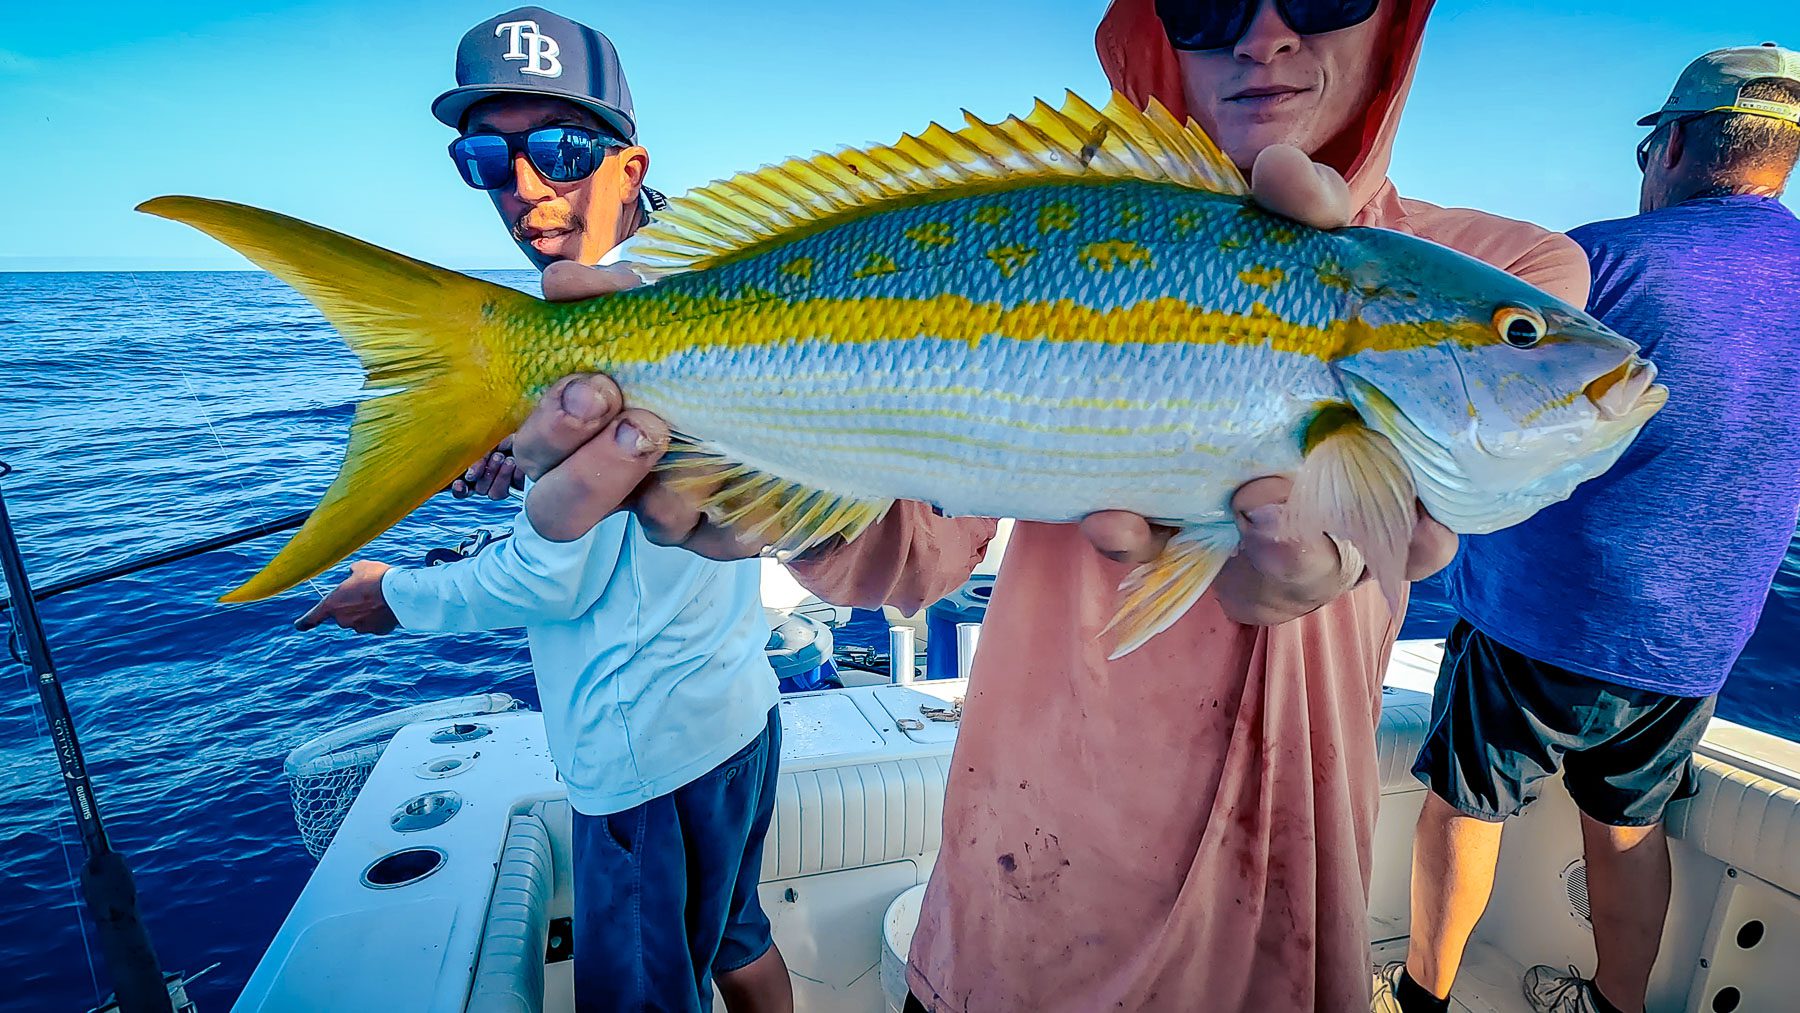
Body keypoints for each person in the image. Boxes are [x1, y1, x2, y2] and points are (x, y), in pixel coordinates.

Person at [511, 0, 1591, 1007]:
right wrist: (790, 492)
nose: (1264, 34)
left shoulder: (1502, 267)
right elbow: (924, 548)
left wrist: (1349, 545)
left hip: (1292, 922)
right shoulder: (1061, 203)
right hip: (1016, 900)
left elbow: (1419, 480)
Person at [295, 8, 793, 1012]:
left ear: (626, 161)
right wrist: (514, 465)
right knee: (739, 933)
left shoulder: (595, 338)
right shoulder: (698, 283)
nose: (526, 190)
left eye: (563, 151)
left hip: (644, 761)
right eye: (487, 157)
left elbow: (549, 575)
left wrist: (392, 594)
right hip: (743, 712)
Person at [1389, 44, 1800, 1013]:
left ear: (1675, 145)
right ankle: (1616, 1004)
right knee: (1628, 825)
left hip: (1536, 613)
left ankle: (1422, 999)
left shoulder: (1600, 260)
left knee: (1465, 806)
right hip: (1700, 633)